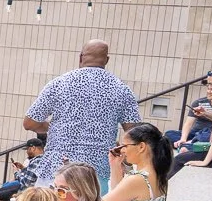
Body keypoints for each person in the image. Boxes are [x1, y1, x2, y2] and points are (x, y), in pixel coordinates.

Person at [23, 41, 141, 186]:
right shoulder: (122, 90)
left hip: (57, 170)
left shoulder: (58, 84)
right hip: (97, 175)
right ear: (106, 60)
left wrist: (50, 127)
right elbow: (135, 133)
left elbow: (29, 123)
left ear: (80, 57)